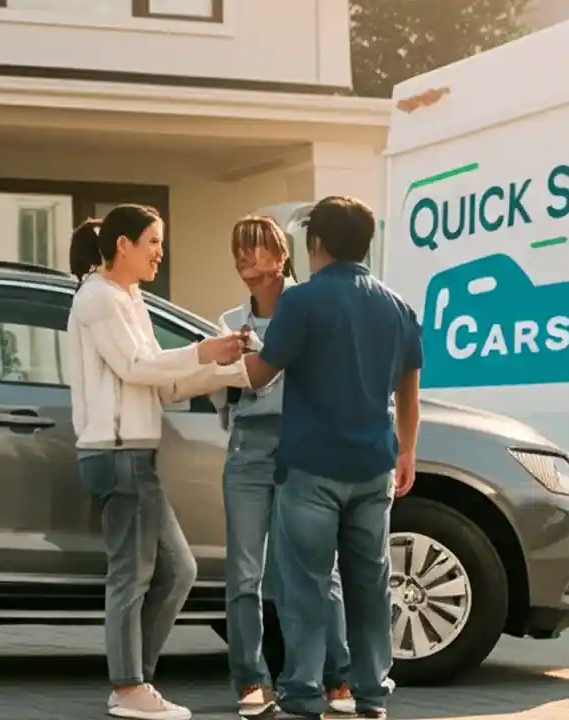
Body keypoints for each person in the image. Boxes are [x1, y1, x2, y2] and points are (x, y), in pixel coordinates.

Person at [240, 196, 422, 720]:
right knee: (369, 585)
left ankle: (300, 692)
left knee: (305, 587)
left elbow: (261, 374)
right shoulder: (396, 306)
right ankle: (371, 695)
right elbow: (408, 389)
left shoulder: (302, 303)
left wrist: (226, 356)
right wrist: (406, 450)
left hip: (311, 469)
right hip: (374, 468)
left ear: (315, 243)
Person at [65, 203, 248, 720]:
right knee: (132, 575)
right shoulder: (98, 298)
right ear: (122, 244)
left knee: (178, 570)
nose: (159, 254)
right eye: (152, 242)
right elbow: (138, 366)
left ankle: (134, 682)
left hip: (135, 454)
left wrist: (229, 369)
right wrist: (205, 350)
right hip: (117, 454)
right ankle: (128, 689)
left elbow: (163, 384)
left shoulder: (128, 298)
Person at [211, 217, 354, 719]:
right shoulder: (229, 319)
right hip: (248, 449)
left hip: (303, 448)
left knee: (318, 569)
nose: (244, 261)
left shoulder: (313, 307)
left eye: (254, 250)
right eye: (238, 252)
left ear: (281, 254)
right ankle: (249, 679)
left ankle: (337, 677)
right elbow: (220, 395)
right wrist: (232, 364)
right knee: (245, 573)